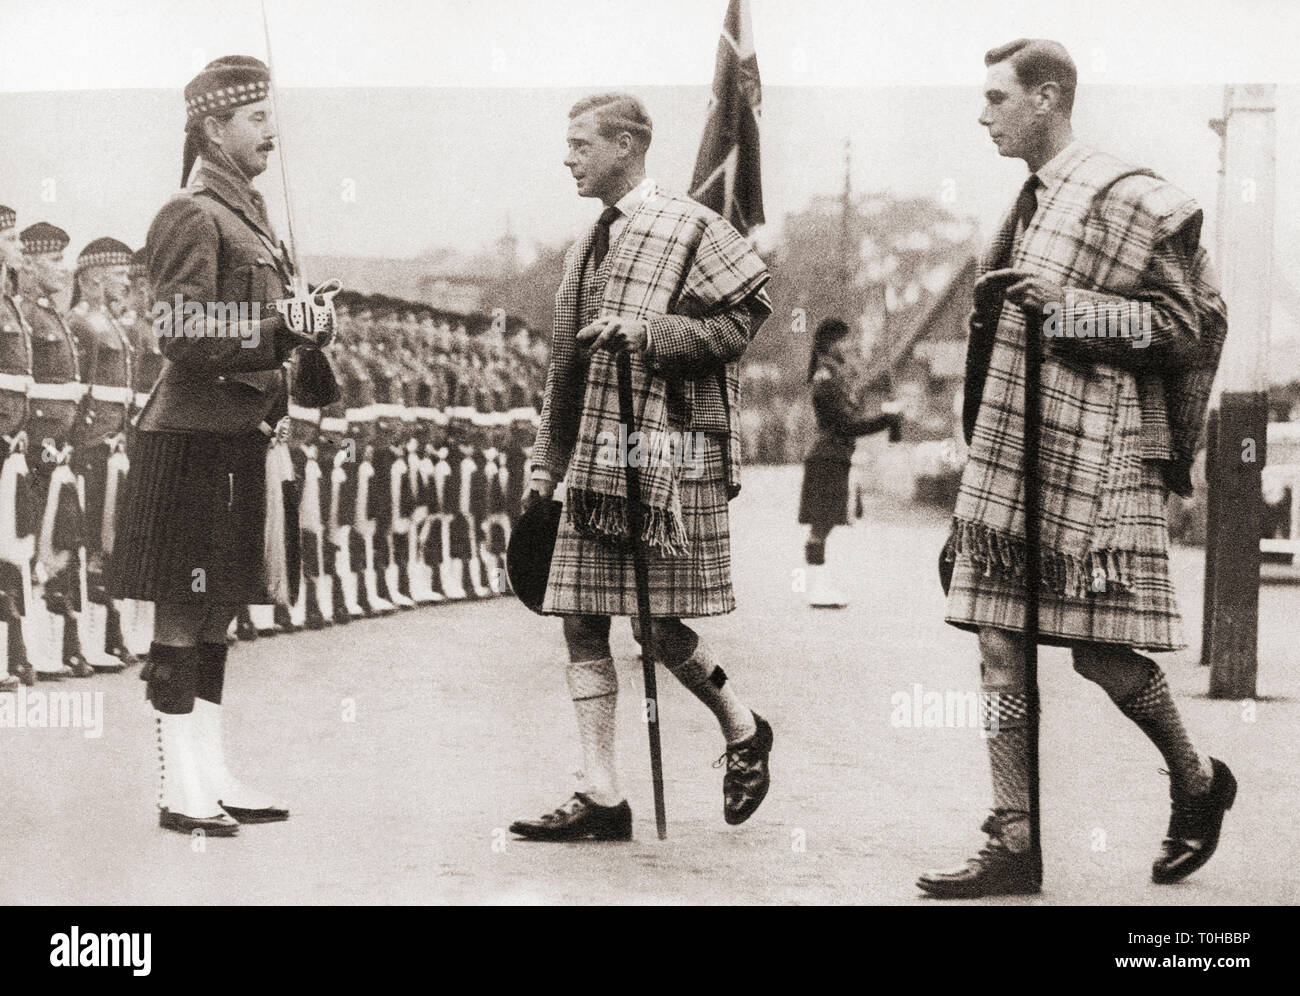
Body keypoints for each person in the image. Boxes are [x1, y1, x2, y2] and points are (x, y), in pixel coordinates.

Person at [917, 39, 1233, 898]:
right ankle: (1014, 839)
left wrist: (1068, 308)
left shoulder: (1124, 195)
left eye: (996, 98)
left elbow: (1184, 326)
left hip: (1095, 449)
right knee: (996, 638)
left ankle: (1199, 784)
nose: (982, 115)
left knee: (1098, 651)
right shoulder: (1026, 205)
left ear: (1048, 99)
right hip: (1014, 454)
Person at [510, 93, 774, 841]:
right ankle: (601, 795)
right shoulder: (583, 245)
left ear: (626, 145)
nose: (568, 157)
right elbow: (564, 370)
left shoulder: (693, 226)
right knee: (581, 621)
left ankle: (744, 728)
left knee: (658, 628)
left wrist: (652, 332)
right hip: (592, 461)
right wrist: (543, 467)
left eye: (581, 142)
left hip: (664, 454)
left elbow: (739, 323)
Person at [107, 55, 333, 836]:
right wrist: (277, 330)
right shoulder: (192, 213)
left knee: (218, 615)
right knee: (182, 612)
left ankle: (211, 771)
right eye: (258, 118)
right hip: (191, 443)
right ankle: (179, 787)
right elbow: (175, 328)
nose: (273, 132)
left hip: (239, 440)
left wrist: (306, 328)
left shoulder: (249, 216)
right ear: (214, 126)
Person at [67, 237, 138, 670]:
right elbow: (81, 394)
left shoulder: (109, 322)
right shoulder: (84, 323)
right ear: (94, 277)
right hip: (92, 448)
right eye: (119, 274)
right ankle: (86, 640)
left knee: (110, 542)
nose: (127, 281)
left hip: (113, 447)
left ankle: (111, 635)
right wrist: (81, 445)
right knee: (91, 544)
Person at [797, 318, 901, 608]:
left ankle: (818, 585)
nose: (849, 345)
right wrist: (885, 420)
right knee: (822, 524)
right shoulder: (826, 377)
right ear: (830, 343)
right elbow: (844, 424)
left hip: (834, 456)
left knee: (826, 523)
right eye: (844, 340)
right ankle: (816, 587)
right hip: (827, 456)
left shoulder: (834, 374)